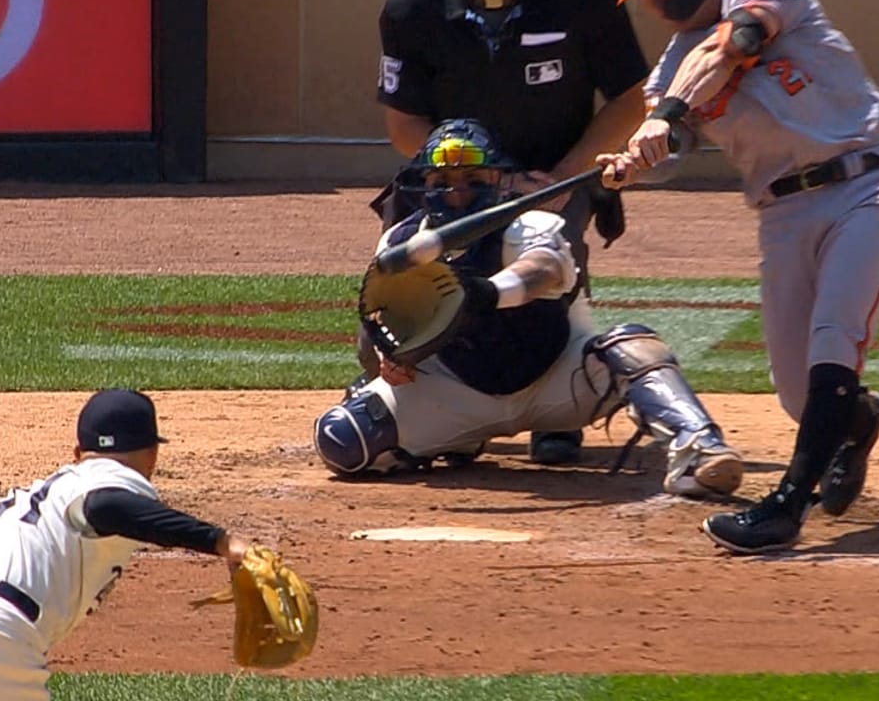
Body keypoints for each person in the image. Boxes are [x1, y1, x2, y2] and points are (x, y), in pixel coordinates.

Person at [600, 0, 879, 554]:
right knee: (800, 393)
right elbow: (676, 143)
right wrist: (629, 163)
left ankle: (786, 507)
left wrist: (662, 116)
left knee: (834, 336)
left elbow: (734, 47)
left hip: (863, 185)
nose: (658, 2)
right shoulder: (667, 73)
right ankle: (859, 419)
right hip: (782, 213)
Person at [314, 119, 744, 500]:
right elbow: (381, 315)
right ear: (423, 184)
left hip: (559, 382)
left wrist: (484, 293)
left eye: (472, 177)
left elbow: (543, 270)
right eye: (443, 178)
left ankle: (699, 448)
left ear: (499, 181)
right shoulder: (401, 243)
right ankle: (452, 442)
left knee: (633, 346)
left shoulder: (532, 224)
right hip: (456, 395)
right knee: (341, 441)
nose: (457, 190)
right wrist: (395, 358)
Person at [375, 0, 653, 466]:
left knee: (551, 271)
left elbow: (632, 98)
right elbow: (403, 125)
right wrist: (465, 179)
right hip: (456, 175)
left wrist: (566, 175)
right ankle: (438, 402)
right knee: (411, 277)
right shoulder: (412, 10)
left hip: (556, 168)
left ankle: (558, 412)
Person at [0, 389, 254, 701]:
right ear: (152, 455)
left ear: (77, 452)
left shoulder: (58, 483)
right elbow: (106, 506)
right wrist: (222, 541)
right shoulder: (116, 480)